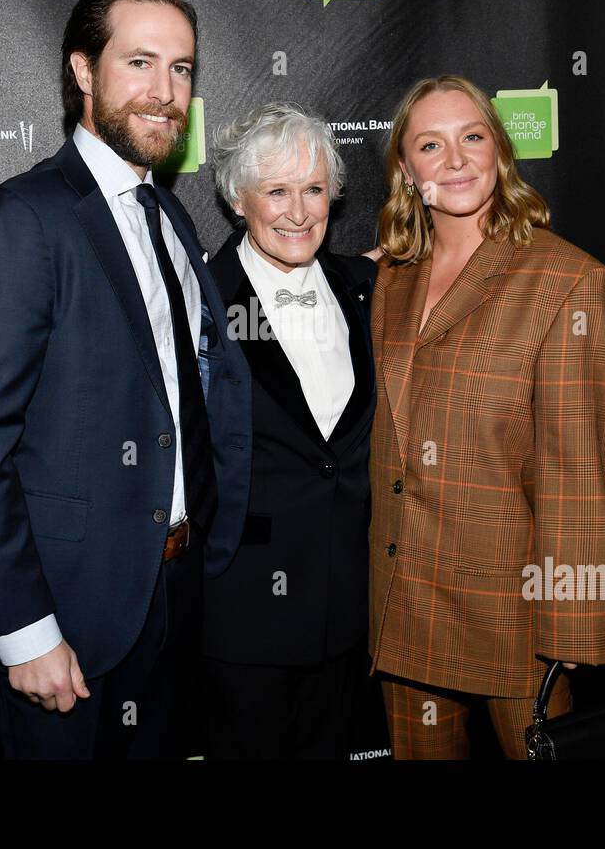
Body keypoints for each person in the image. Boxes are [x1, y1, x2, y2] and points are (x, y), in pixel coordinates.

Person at [0, 0, 251, 759]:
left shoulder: (169, 213)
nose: (165, 91)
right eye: (139, 63)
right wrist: (23, 628)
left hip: (174, 593)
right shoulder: (23, 218)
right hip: (66, 617)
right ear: (83, 71)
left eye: (181, 69)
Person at [367, 75, 605, 759]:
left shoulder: (564, 280)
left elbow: (577, 473)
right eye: (430, 144)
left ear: (500, 153)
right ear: (406, 170)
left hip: (513, 613)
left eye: (472, 137)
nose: (454, 159)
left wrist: (576, 620)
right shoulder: (390, 280)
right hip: (405, 599)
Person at [201, 102, 378, 758]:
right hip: (242, 616)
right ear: (238, 200)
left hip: (347, 611)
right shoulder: (198, 302)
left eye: (313, 189)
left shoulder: (365, 286)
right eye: (276, 191)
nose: (299, 212)